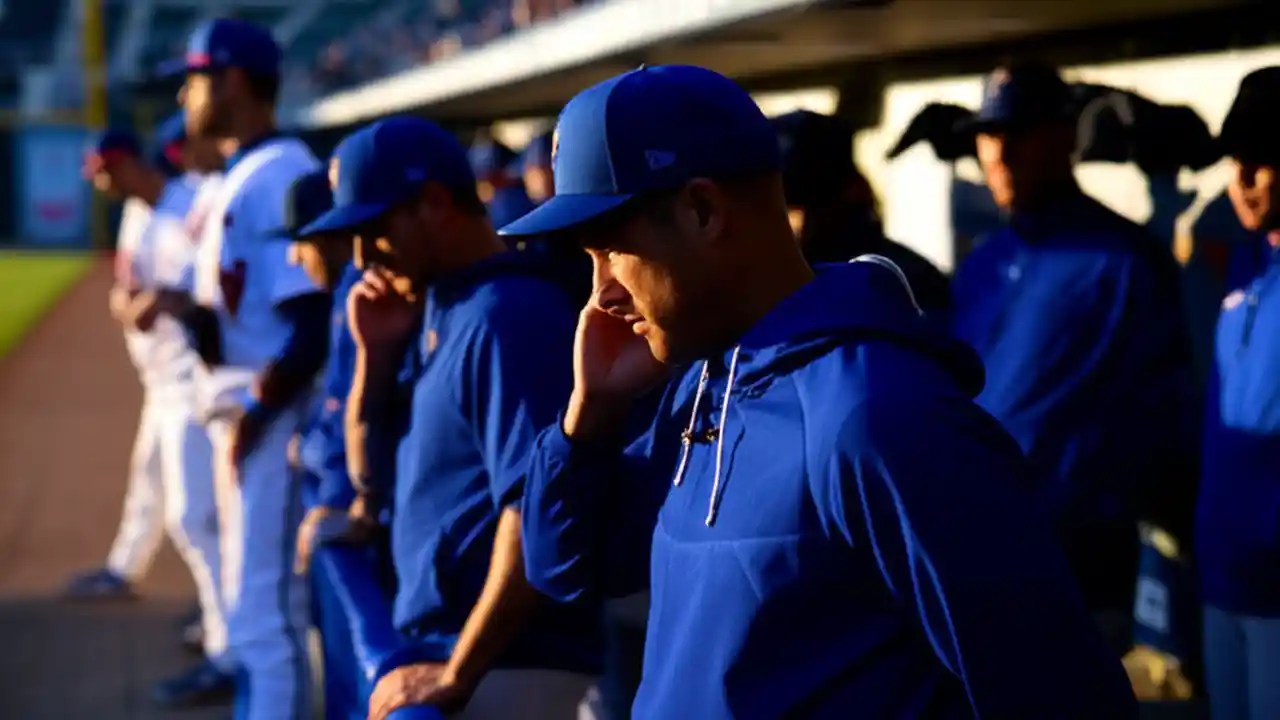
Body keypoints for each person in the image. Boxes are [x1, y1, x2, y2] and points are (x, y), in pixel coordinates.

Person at [500, 63, 1136, 719]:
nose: (599, 293)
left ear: (701, 210)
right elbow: (567, 569)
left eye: (610, 250)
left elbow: (1059, 692)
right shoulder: (705, 381)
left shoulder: (878, 414)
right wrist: (588, 423)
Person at [300, 116, 602, 720]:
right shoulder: (438, 301)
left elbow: (534, 514)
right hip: (460, 649)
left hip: (510, 661)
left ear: (435, 204)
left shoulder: (508, 314)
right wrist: (375, 361)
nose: (361, 258)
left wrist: (461, 671)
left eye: (373, 230)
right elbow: (370, 486)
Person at [949, 60, 1197, 643]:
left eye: (1017, 133)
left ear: (1063, 137)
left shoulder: (1124, 260)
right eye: (989, 134)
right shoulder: (983, 263)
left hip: (1076, 568)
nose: (998, 153)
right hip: (971, 550)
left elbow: (1162, 418)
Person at [141, 18, 331, 717]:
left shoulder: (281, 173)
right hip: (247, 417)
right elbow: (235, 310)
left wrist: (259, 410)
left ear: (232, 82)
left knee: (267, 616)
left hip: (274, 421)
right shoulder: (243, 174)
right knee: (257, 615)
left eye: (193, 79)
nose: (186, 95)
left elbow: (312, 322)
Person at [72, 124, 236, 704]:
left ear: (124, 162)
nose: (98, 181)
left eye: (101, 169)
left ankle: (228, 644)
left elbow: (208, 288)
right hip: (160, 379)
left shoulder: (189, 203)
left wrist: (164, 299)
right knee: (152, 483)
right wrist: (131, 303)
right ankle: (139, 574)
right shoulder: (138, 214)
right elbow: (128, 288)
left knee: (194, 516)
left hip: (193, 380)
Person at [1196, 66, 1280, 720]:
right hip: (1223, 578)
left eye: (1262, 160)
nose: (1241, 180)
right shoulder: (1246, 265)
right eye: (1234, 161)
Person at [772, 109, 951, 317]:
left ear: (851, 190)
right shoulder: (764, 283)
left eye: (811, 200)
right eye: (778, 206)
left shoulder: (899, 281)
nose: (795, 222)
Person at [468, 136, 536, 231]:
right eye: (482, 180)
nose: (484, 186)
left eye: (493, 178)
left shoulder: (511, 201)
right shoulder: (484, 205)